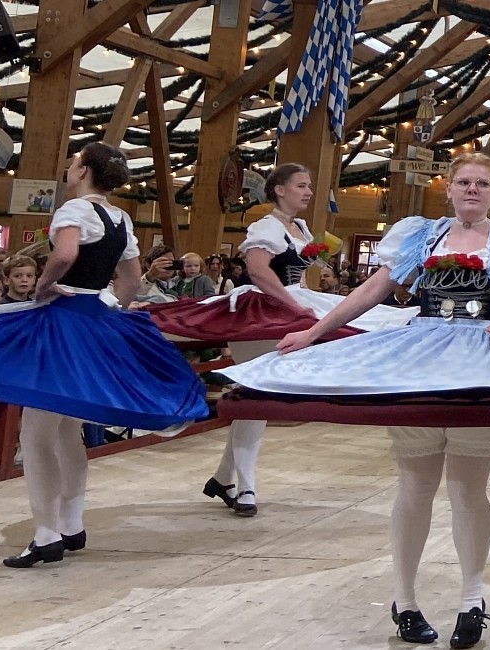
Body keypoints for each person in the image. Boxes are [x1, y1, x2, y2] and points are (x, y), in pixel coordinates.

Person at [217, 153, 490, 648]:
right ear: (448, 188)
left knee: (469, 487)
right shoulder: (420, 233)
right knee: (415, 484)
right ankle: (405, 601)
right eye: (463, 182)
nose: (472, 190)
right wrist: (314, 331)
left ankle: (472, 599)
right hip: (420, 356)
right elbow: (375, 288)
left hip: (482, 360)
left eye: (481, 183)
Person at [149, 163, 418, 518]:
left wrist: (303, 298)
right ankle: (244, 486)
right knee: (257, 395)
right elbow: (259, 270)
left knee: (261, 395)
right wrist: (295, 304)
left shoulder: (300, 226)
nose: (308, 192)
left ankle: (224, 478)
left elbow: (295, 274)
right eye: (301, 185)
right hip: (260, 311)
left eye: (308, 185)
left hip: (288, 304)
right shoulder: (266, 226)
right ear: (279, 190)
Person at [0, 142, 207, 567]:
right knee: (67, 430)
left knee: (36, 435)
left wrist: (43, 287)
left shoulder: (73, 210)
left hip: (62, 323)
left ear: (84, 171)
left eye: (74, 161)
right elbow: (129, 278)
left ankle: (45, 534)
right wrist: (108, 308)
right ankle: (71, 525)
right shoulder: (120, 217)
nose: (70, 167)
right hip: (93, 321)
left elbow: (66, 255)